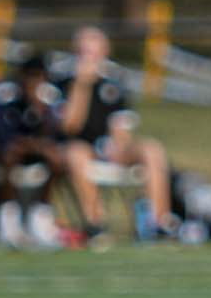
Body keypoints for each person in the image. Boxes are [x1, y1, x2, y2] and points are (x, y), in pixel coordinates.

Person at [55, 26, 175, 243]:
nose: (88, 58)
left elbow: (121, 127)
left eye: (92, 52)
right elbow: (69, 127)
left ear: (104, 51)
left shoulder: (114, 79)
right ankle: (95, 224)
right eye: (83, 52)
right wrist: (82, 85)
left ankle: (158, 223)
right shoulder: (63, 79)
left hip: (107, 148)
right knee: (76, 154)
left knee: (151, 149)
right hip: (76, 148)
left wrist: (116, 145)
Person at [0, 56, 66, 249]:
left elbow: (57, 135)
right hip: (4, 151)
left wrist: (39, 109)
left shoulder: (49, 98)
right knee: (11, 153)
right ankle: (8, 213)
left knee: (56, 157)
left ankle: (41, 213)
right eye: (31, 77)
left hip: (35, 151)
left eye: (39, 77)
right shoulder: (5, 93)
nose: (34, 82)